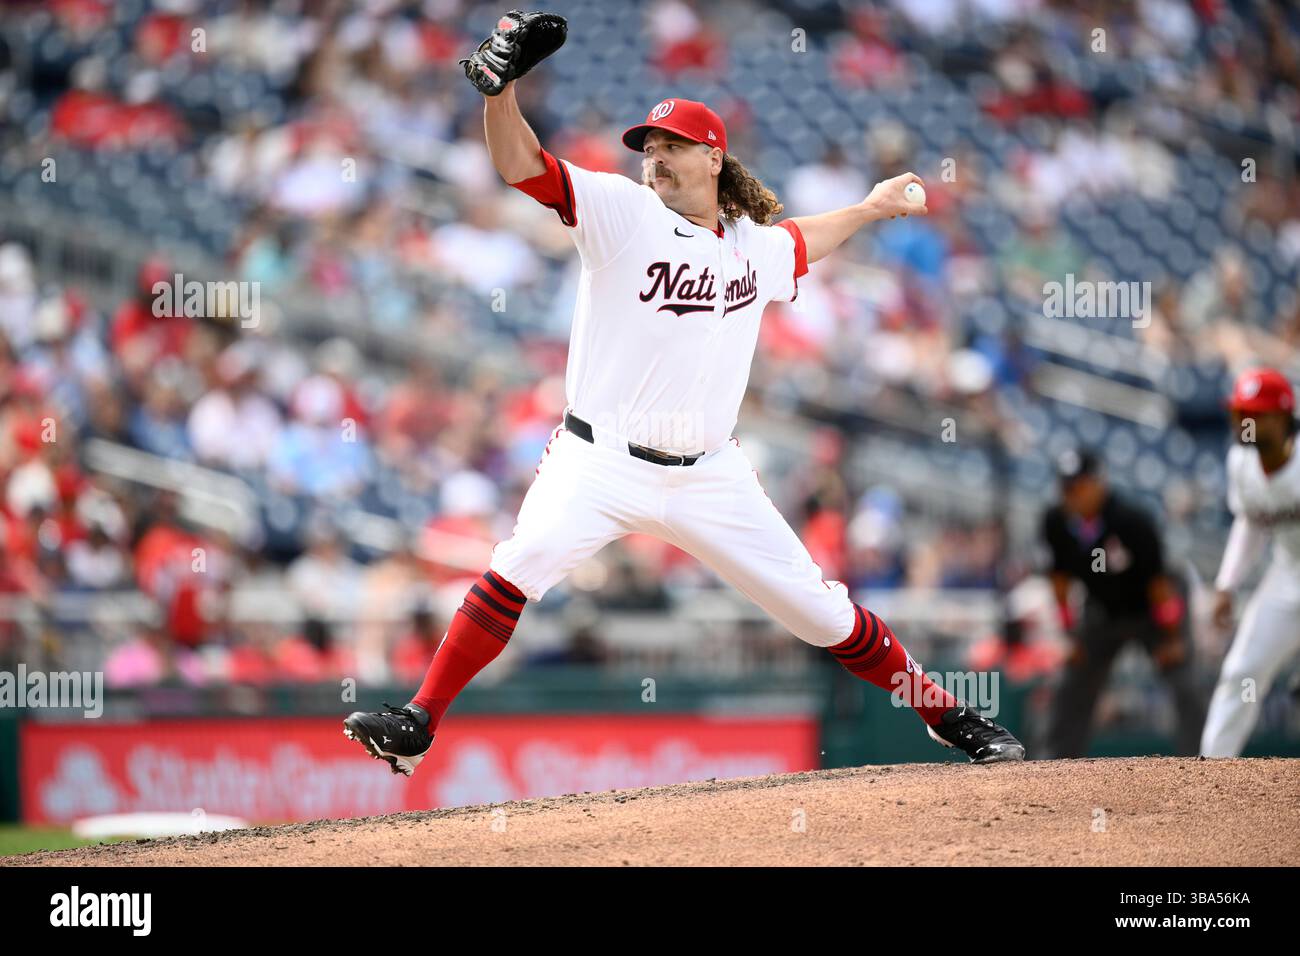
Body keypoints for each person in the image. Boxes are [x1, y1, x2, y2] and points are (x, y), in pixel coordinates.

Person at [344, 56, 1025, 776]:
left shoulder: (751, 246)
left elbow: (801, 242)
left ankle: (949, 717)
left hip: (709, 473)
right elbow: (521, 164)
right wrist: (500, 92)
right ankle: (419, 718)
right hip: (597, 459)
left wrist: (870, 208)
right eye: (650, 148)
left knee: (822, 613)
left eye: (671, 146)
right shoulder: (622, 212)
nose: (656, 159)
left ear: (713, 157)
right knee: (516, 568)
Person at [1040, 449, 1205, 758]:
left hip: (1153, 609)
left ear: (1098, 484)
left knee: (1185, 684)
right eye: (1066, 486)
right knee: (1070, 685)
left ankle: (1201, 760)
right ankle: (1055, 765)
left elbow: (1159, 586)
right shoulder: (1056, 522)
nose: (1071, 494)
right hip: (1102, 611)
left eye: (1078, 485)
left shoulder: (1130, 520)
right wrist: (1069, 635)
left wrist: (1172, 638)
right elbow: (1059, 582)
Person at [1202, 367, 1300, 757]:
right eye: (1239, 413)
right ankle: (1211, 775)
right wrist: (1227, 584)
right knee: (1241, 672)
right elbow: (1251, 522)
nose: (1242, 423)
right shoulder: (1241, 462)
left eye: (1253, 414)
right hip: (1289, 573)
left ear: (1281, 417)